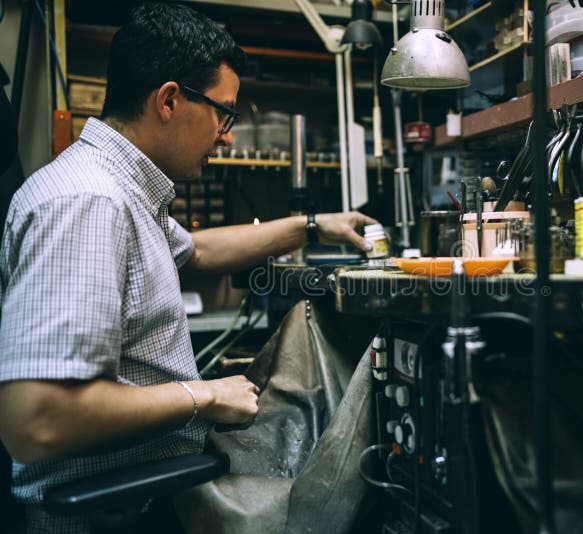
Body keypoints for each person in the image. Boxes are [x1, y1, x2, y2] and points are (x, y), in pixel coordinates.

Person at [0, 3, 378, 532]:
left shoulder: (122, 190)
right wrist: (201, 394)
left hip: (141, 496)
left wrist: (312, 225)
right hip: (111, 515)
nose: (226, 135)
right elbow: (37, 419)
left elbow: (197, 252)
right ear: (170, 101)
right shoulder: (89, 203)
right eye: (224, 113)